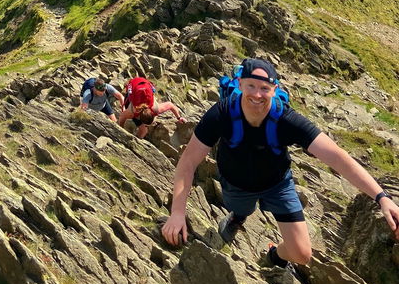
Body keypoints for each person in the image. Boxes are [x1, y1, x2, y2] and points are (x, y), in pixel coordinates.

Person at [161, 57, 399, 269]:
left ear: (274, 90)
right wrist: (177, 213)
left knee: (302, 254)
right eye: (251, 86)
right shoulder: (221, 114)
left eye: (264, 88)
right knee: (241, 209)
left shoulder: (286, 120)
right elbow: (188, 161)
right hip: (236, 183)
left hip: (277, 185)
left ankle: (275, 255)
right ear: (241, 84)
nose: (257, 94)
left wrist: (382, 197)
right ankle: (238, 217)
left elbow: (337, 157)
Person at [118, 76, 186, 138]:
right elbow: (122, 117)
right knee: (143, 131)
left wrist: (179, 118)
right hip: (133, 88)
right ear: (139, 118)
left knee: (144, 130)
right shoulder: (132, 111)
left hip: (144, 85)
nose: (147, 126)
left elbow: (170, 105)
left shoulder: (156, 108)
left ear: (153, 114)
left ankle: (137, 139)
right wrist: (120, 131)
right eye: (146, 125)